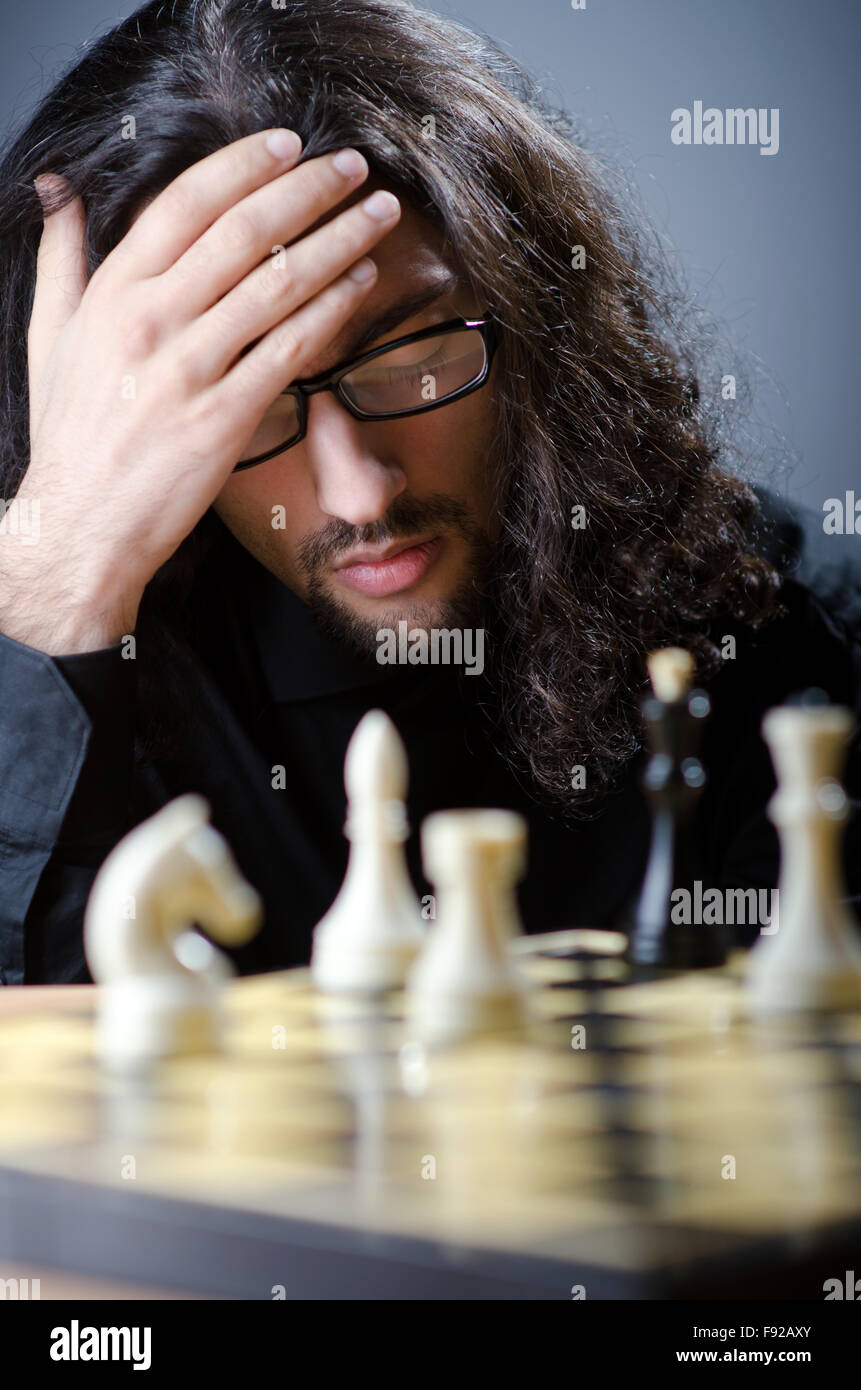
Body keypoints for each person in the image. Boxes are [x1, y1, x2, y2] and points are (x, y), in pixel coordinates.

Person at [0, 0, 858, 984]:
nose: (361, 491)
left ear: (536, 316)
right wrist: (53, 583)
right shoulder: (93, 649)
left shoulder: (792, 636)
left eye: (409, 356)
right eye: (240, 395)